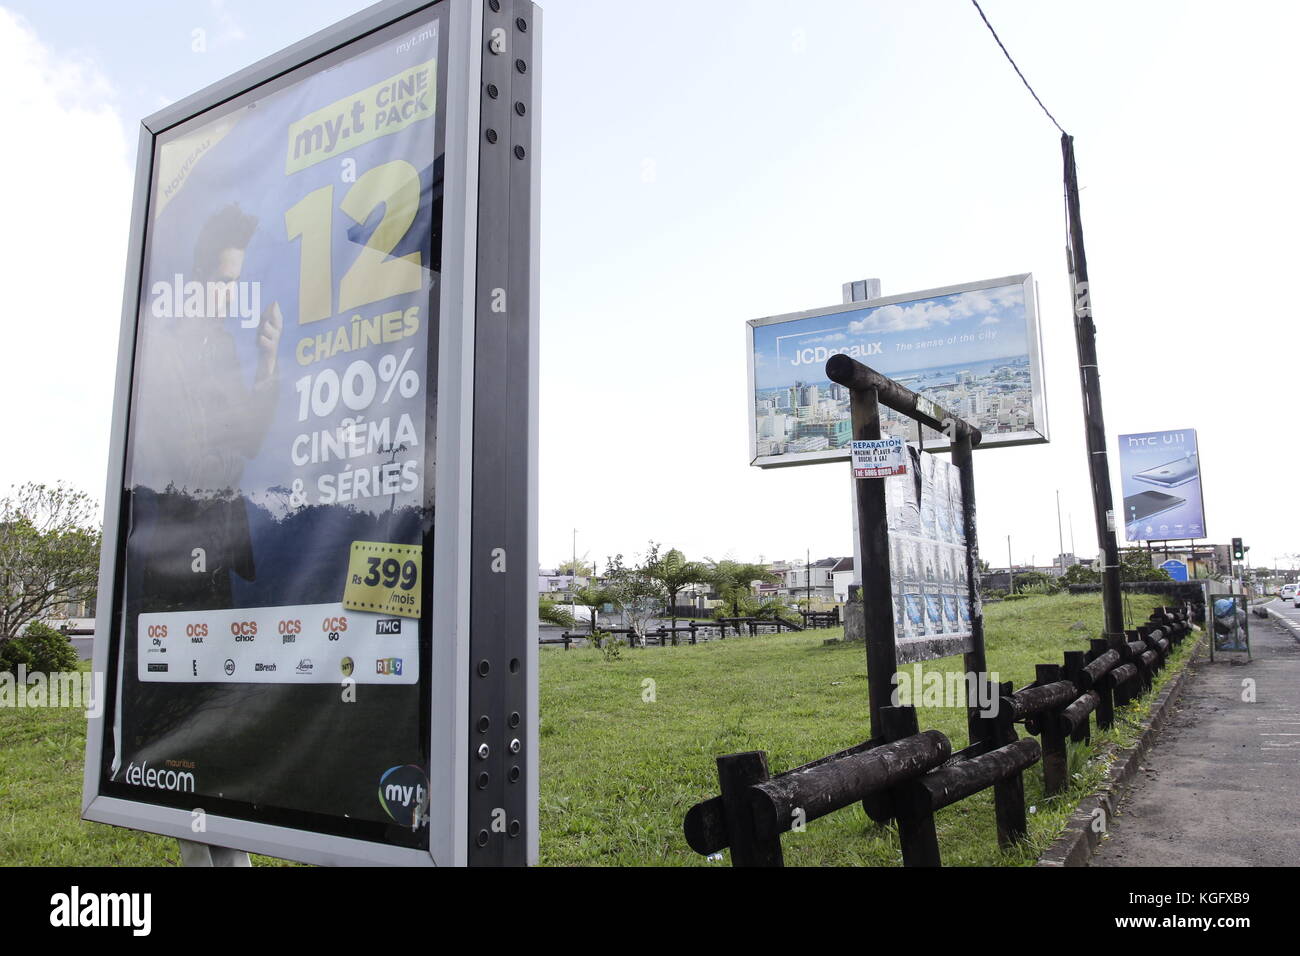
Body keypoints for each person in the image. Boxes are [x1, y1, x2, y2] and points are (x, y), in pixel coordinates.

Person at [130, 204, 282, 608]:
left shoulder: (222, 344)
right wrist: (228, 457)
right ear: (197, 280)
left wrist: (267, 361)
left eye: (236, 283)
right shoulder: (163, 350)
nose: (229, 295)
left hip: (221, 548)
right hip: (177, 557)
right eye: (222, 281)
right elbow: (190, 470)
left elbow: (248, 442)